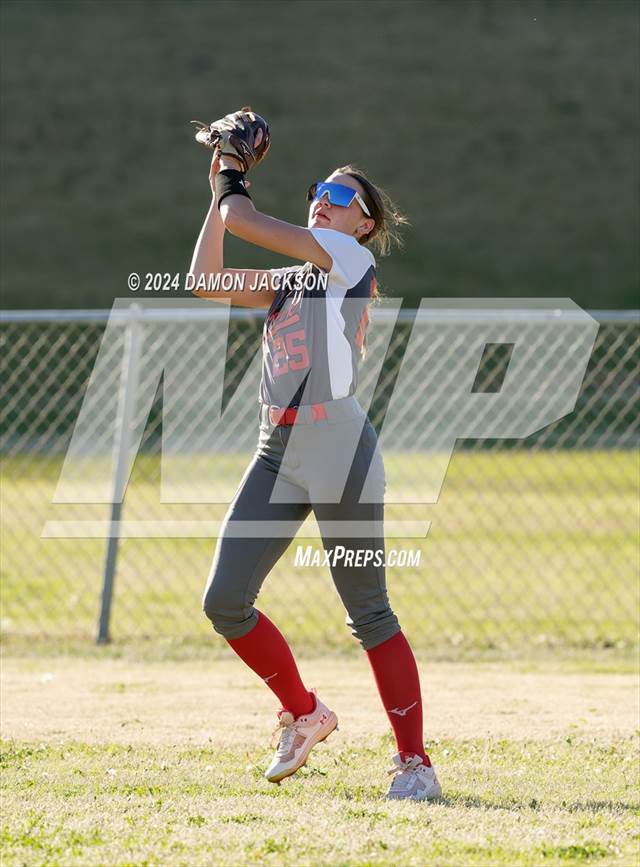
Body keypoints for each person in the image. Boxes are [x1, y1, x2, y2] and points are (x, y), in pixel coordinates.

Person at [188, 144, 441, 802]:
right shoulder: (292, 280)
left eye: (338, 198)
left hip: (338, 447)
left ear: (363, 223)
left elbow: (245, 218)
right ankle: (305, 712)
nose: (320, 202)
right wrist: (218, 189)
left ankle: (414, 763)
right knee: (224, 600)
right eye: (316, 193)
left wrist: (231, 178)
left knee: (369, 613)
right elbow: (204, 279)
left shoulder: (352, 258)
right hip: (277, 446)